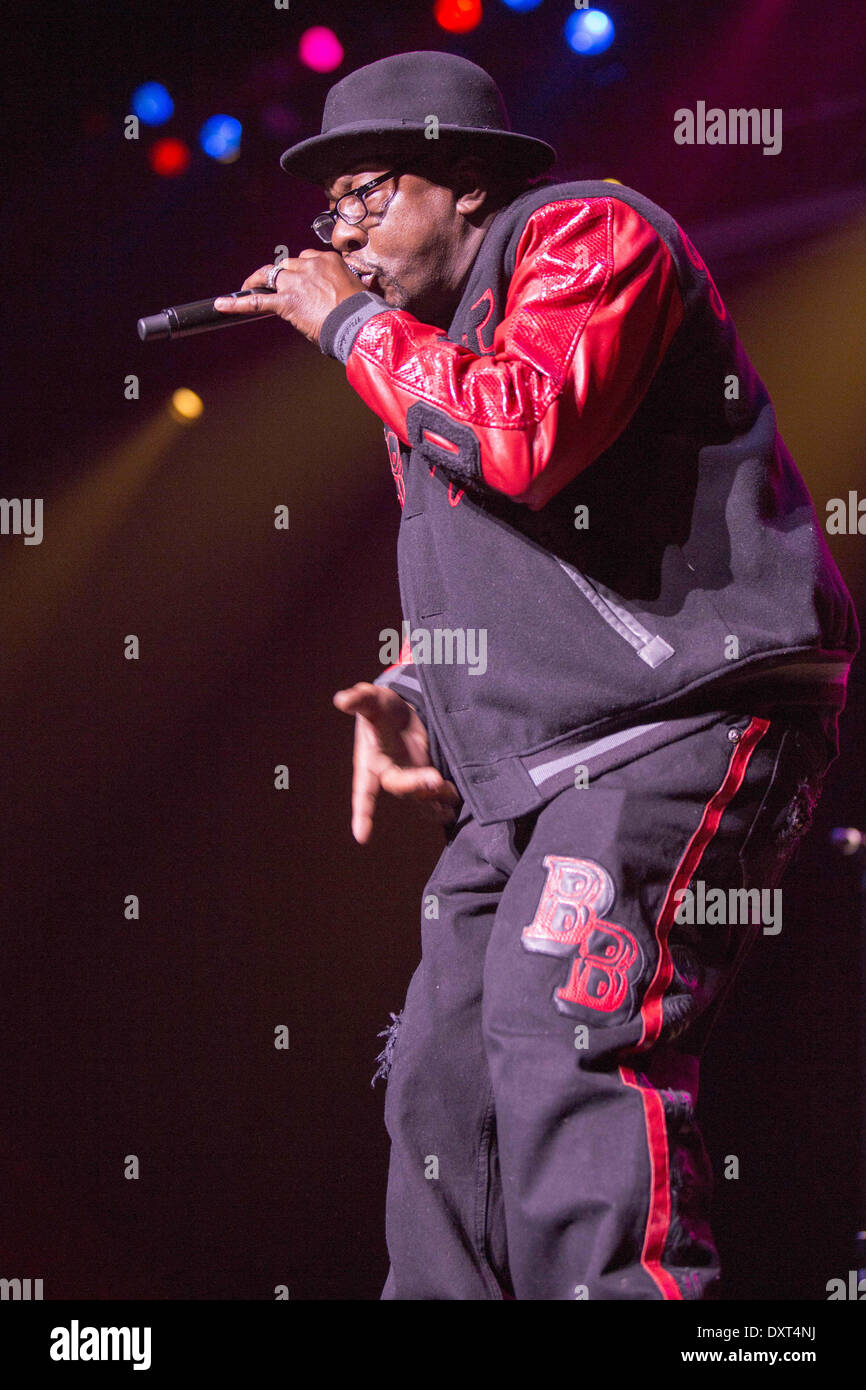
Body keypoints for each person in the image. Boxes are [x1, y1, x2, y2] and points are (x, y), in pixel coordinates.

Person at [214, 51, 860, 1300]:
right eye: (327, 213)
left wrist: (349, 325)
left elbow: (520, 435)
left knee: (563, 1030)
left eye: (365, 195)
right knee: (440, 1081)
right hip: (538, 758)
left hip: (685, 714)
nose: (341, 236)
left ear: (462, 181)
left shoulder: (583, 232)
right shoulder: (430, 342)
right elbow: (506, 552)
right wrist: (414, 687)